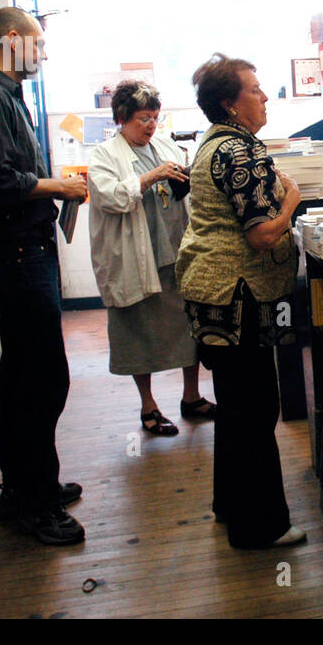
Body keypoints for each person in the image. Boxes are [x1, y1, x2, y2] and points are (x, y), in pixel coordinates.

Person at [0, 7, 88, 545]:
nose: (45, 53)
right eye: (39, 43)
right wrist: (59, 188)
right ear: (11, 40)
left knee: (32, 374)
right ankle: (33, 501)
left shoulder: (2, 96)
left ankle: (28, 488)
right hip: (16, 252)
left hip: (24, 250)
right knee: (39, 377)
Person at [174, 54, 307, 549]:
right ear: (230, 103)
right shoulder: (241, 152)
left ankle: (232, 505)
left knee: (234, 407)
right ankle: (261, 528)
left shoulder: (213, 145)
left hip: (211, 296)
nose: (265, 96)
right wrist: (293, 199)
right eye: (255, 89)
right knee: (254, 409)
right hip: (238, 298)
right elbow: (263, 236)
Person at [88, 80, 211, 436]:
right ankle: (149, 406)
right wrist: (152, 176)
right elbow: (110, 197)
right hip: (135, 260)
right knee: (136, 332)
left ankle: (192, 397)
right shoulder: (104, 155)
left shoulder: (163, 144)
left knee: (187, 329)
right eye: (143, 118)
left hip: (175, 252)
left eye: (155, 117)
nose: (151, 126)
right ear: (122, 117)